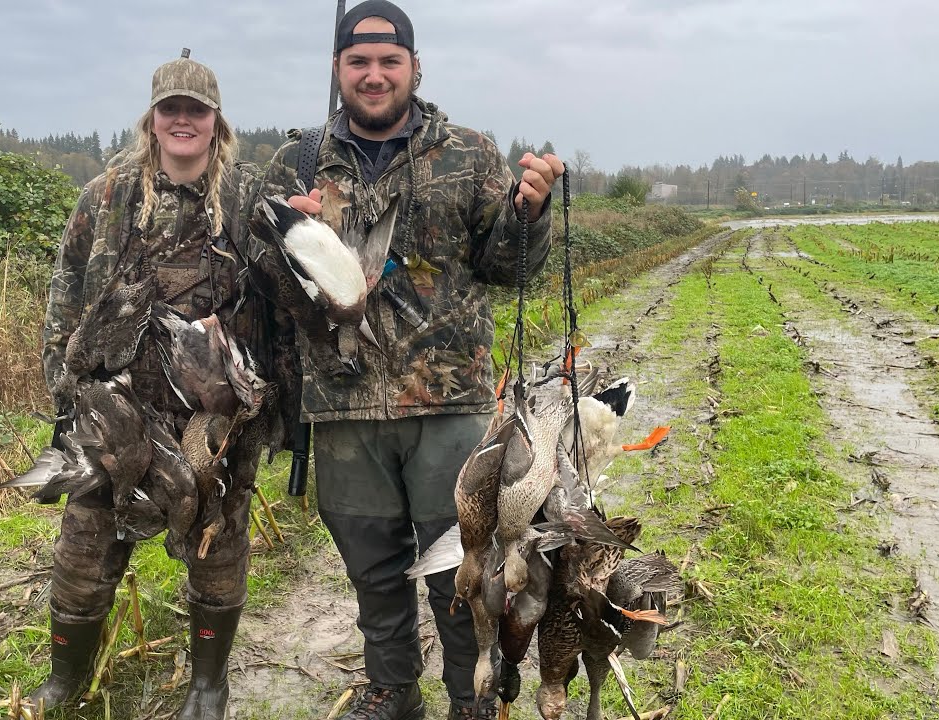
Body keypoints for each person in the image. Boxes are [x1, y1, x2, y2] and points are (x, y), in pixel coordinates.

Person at [252, 2, 564, 718]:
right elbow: (275, 294)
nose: (374, 75)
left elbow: (508, 270)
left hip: (448, 408)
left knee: (462, 568)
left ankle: (470, 695)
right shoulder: (297, 162)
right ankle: (393, 692)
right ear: (338, 71)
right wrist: (285, 250)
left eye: (389, 62)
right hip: (343, 409)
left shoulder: (469, 153)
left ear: (414, 68)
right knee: (373, 572)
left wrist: (529, 214)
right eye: (358, 62)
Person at [34, 51, 269, 720]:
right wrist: (64, 392)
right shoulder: (107, 197)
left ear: (216, 122)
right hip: (116, 410)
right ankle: (66, 679)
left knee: (216, 547)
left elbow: (286, 297)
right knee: (83, 548)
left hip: (212, 421)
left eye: (197, 110)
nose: (183, 120)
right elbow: (64, 294)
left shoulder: (248, 201)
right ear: (153, 118)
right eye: (172, 109)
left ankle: (207, 686)